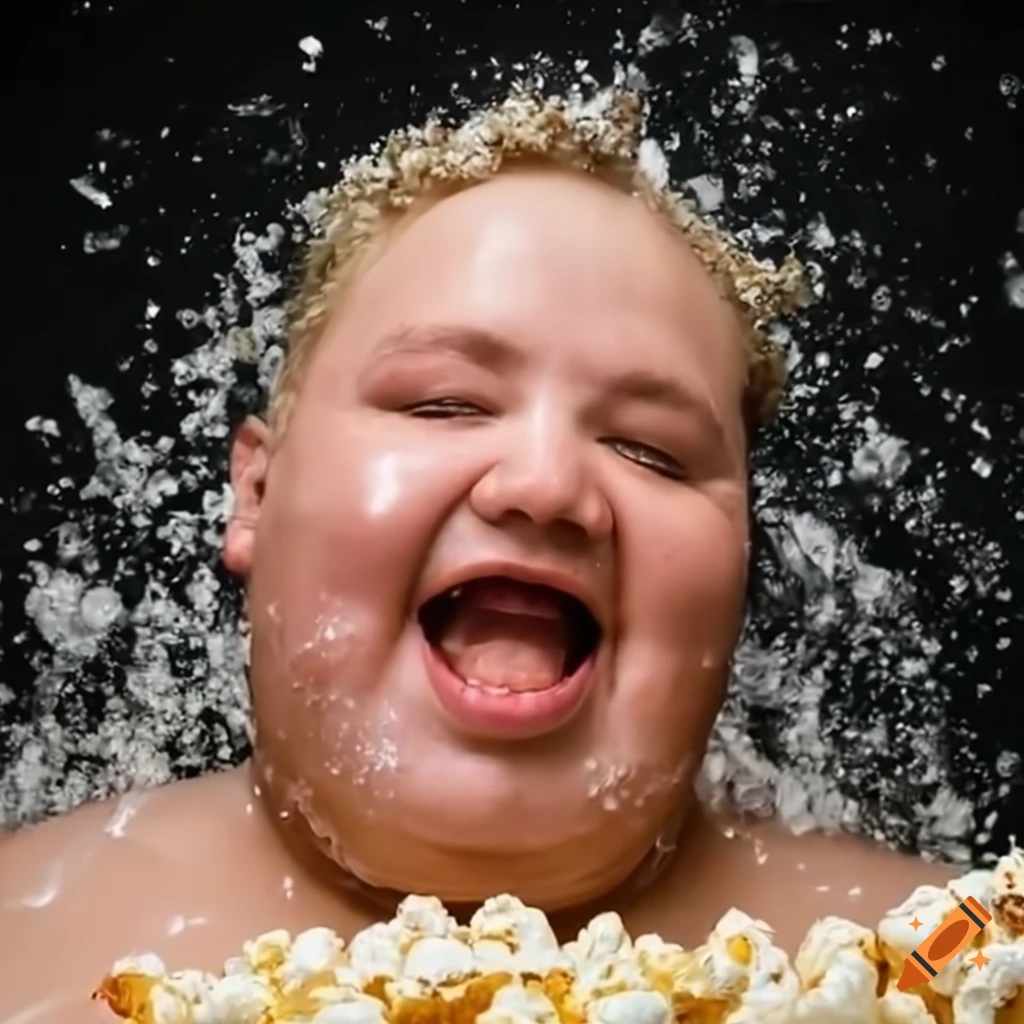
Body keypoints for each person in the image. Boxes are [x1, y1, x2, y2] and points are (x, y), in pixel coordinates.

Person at [0, 85, 955, 1024]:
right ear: (258, 490)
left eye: (650, 452)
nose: (544, 484)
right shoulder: (27, 944)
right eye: (442, 404)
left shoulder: (948, 963)